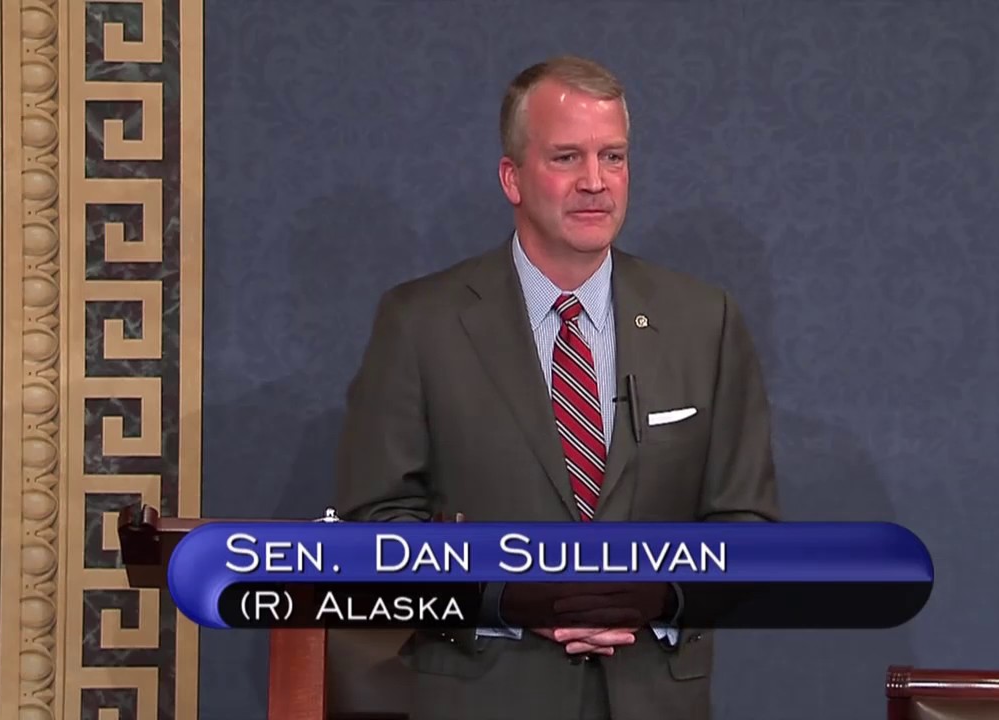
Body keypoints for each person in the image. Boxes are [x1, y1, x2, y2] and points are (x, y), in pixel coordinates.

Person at [333, 55, 779, 720]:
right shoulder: (421, 324)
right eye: (567, 157)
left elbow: (748, 527)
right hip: (483, 695)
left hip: (653, 696)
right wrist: (508, 598)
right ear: (512, 177)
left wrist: (655, 598)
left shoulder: (704, 321)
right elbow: (374, 525)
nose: (596, 183)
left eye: (615, 157)